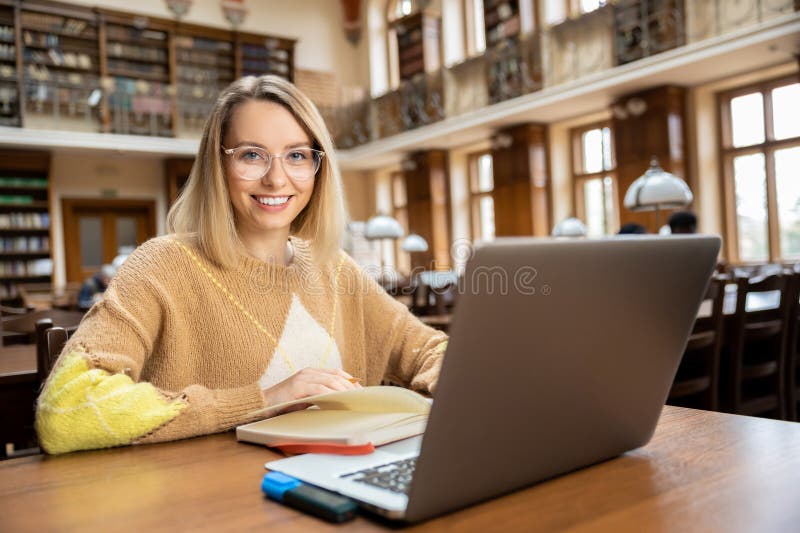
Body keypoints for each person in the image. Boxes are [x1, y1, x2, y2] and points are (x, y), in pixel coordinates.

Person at [35, 75, 448, 455]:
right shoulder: (161, 266)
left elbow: (430, 350)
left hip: (336, 490)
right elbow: (65, 409)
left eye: (298, 155)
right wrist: (263, 399)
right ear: (218, 165)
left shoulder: (335, 267)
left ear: (318, 167)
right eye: (252, 155)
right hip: (216, 504)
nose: (276, 178)